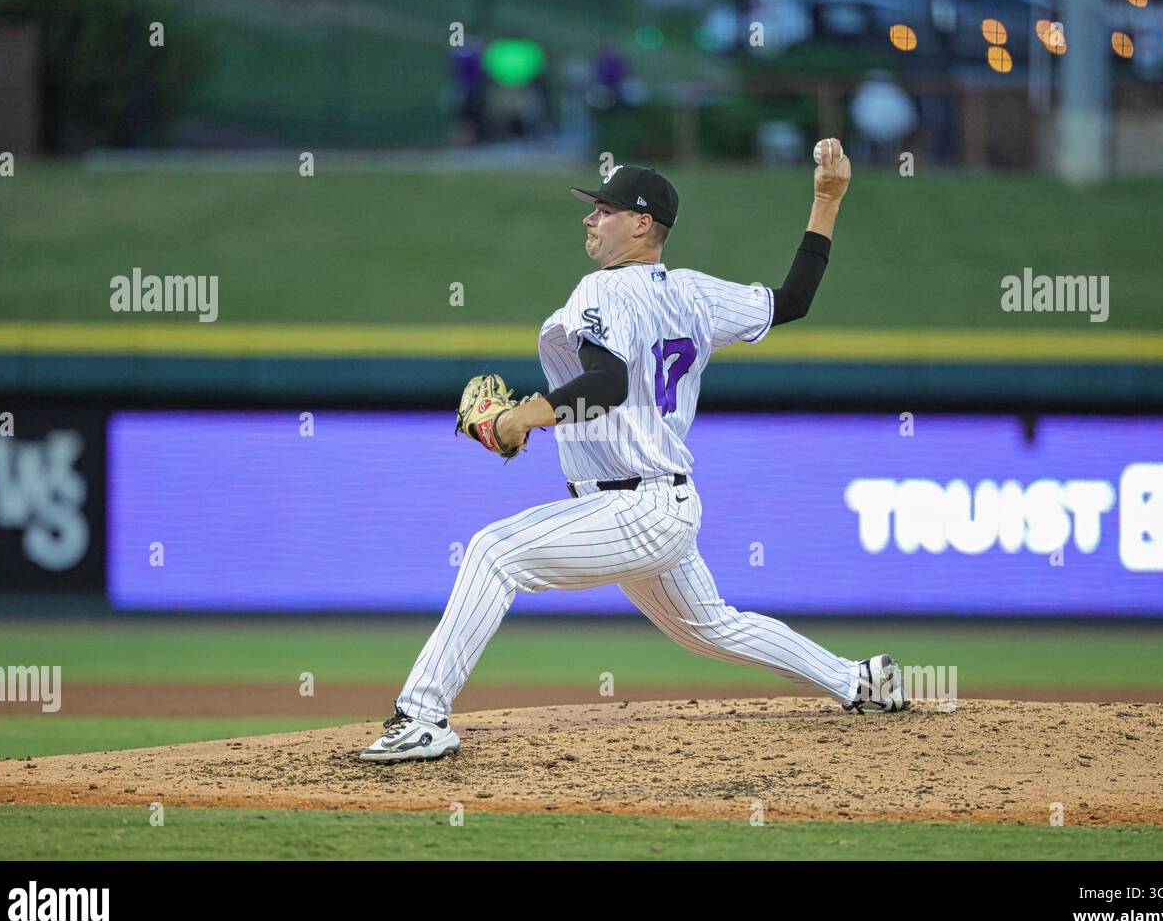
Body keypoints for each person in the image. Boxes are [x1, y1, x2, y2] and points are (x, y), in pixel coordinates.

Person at [360, 139, 909, 763]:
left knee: (492, 553)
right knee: (713, 627)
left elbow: (606, 384)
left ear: (641, 223)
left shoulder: (601, 290)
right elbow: (795, 300)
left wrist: (523, 417)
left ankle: (423, 716)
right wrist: (826, 202)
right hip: (661, 505)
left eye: (604, 209)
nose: (590, 218)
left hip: (637, 507)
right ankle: (858, 680)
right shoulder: (693, 293)